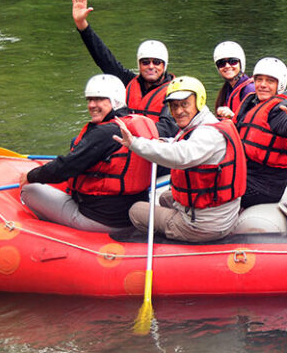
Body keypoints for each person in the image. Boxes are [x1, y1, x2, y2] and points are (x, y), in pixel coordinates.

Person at [115, 76, 247, 242]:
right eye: (174, 106)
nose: (178, 111)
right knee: (165, 197)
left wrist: (134, 143)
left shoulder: (208, 134)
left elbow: (179, 155)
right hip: (218, 214)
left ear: (199, 102)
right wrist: (163, 142)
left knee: (135, 210)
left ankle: (170, 241)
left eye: (185, 104)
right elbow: (183, 144)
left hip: (203, 226)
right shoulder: (205, 123)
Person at [19, 74, 158, 232]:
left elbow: (64, 167)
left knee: (28, 190)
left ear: (115, 100)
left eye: (99, 99)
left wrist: (30, 176)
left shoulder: (103, 133)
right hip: (132, 217)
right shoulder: (136, 124)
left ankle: (53, 231)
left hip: (99, 220)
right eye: (89, 99)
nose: (92, 105)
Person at [70, 0, 177, 138]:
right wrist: (82, 25)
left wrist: (132, 131)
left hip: (155, 149)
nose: (151, 66)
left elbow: (168, 129)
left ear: (164, 66)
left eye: (157, 62)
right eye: (145, 62)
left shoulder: (175, 92)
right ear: (139, 64)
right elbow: (104, 58)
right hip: (125, 144)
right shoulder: (128, 82)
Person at [235, 57, 287, 208]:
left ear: (279, 85)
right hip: (245, 173)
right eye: (259, 79)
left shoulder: (280, 108)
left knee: (212, 188)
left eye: (270, 81)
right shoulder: (252, 102)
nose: (262, 85)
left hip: (263, 186)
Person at [212, 41, 255, 120]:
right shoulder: (227, 90)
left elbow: (253, 123)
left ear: (241, 63)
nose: (227, 66)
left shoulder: (250, 90)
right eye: (221, 63)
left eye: (233, 61)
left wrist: (232, 116)